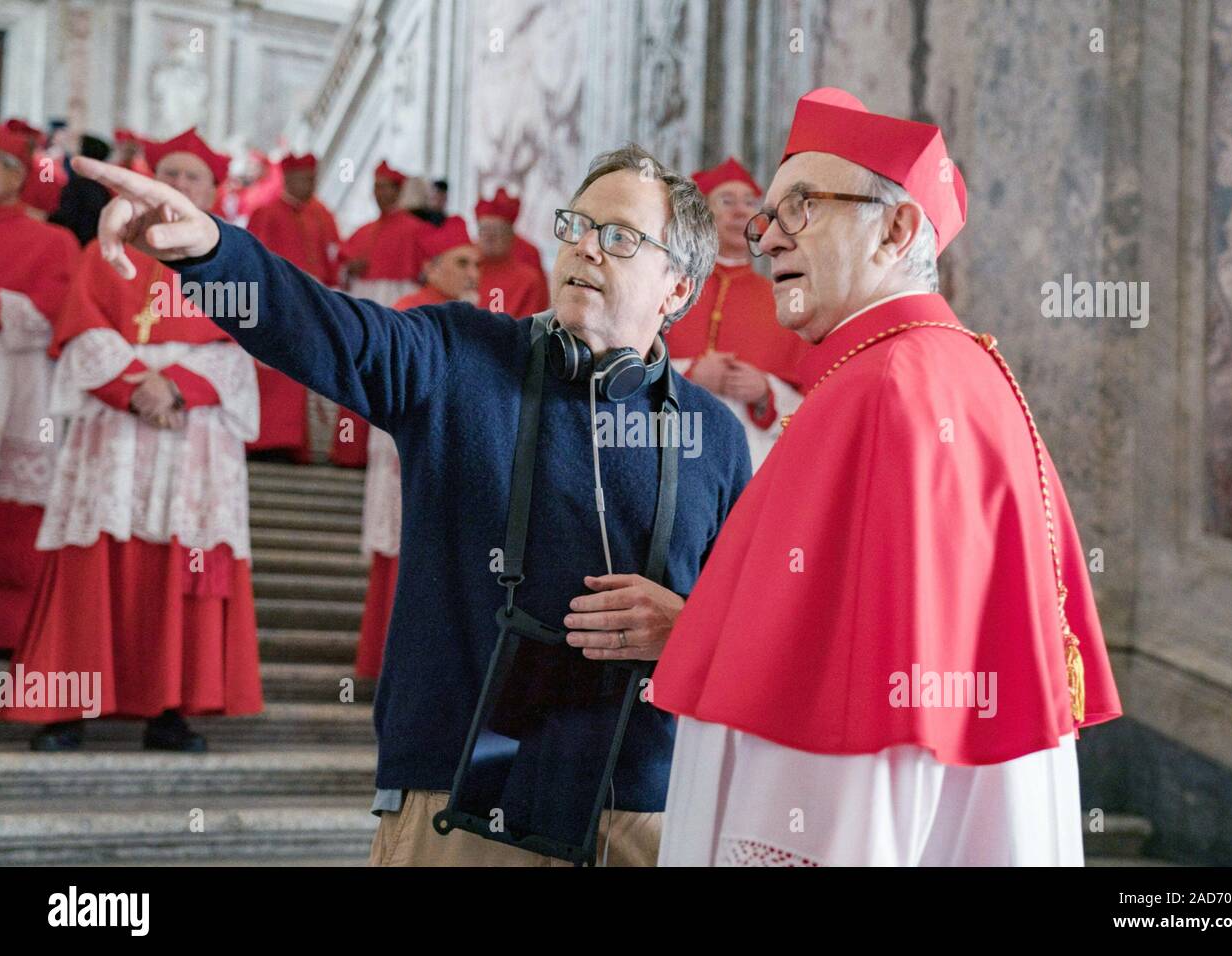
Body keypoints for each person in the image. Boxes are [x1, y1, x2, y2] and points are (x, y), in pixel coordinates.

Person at [72, 141, 749, 866]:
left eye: (618, 237)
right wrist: (210, 251)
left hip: (643, 809)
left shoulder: (714, 437)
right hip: (455, 802)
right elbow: (325, 328)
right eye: (575, 226)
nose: (584, 248)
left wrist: (690, 629)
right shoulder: (457, 357)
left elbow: (757, 625)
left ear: (677, 289)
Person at [653, 87, 1123, 866]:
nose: (767, 239)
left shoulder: (889, 385)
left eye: (801, 205)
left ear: (898, 228)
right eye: (767, 216)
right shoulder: (936, 365)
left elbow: (868, 718)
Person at [3, 127, 262, 751]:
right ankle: (67, 711)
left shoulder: (235, 258)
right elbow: (82, 327)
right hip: (112, 432)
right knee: (94, 560)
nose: (177, 183)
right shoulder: (105, 248)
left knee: (183, 563)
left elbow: (244, 350)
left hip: (192, 436)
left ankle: (168, 710)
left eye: (191, 176)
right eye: (167, 171)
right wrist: (133, 386)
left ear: (213, 188)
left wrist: (173, 387)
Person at [355, 215, 480, 680]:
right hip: (410, 461)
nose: (473, 273)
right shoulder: (410, 310)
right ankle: (398, 672)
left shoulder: (475, 319)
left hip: (454, 461)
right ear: (431, 266)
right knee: (405, 562)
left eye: (477, 264)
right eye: (462, 262)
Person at [666, 156, 807, 469]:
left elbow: (812, 405)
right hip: (666, 451)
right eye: (727, 201)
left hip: (751, 465)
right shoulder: (669, 287)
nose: (741, 211)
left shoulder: (782, 297)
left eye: (749, 203)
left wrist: (766, 393)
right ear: (701, 215)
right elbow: (626, 371)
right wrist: (689, 375)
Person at [0, 127, 80, 652]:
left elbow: (56, 311)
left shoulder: (55, 240)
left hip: (22, 385)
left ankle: (13, 633)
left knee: (16, 523)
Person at [330, 160, 436, 467]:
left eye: (385, 187)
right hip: (365, 305)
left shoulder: (417, 230)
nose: (379, 194)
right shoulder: (364, 230)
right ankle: (349, 451)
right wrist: (351, 268)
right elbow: (342, 269)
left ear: (399, 190)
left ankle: (387, 454)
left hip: (399, 306)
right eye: (375, 187)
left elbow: (430, 269)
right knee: (356, 372)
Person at [246, 152, 341, 462]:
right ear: (287, 179)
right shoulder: (266, 213)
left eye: (313, 178)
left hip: (316, 304)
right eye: (303, 179)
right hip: (277, 302)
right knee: (277, 372)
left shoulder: (323, 214)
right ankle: (269, 441)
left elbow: (332, 259)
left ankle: (300, 443)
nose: (309, 184)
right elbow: (254, 260)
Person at [475, 188, 549, 319]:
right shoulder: (464, 269)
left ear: (511, 235)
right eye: (484, 229)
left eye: (496, 230)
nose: (489, 236)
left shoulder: (529, 279)